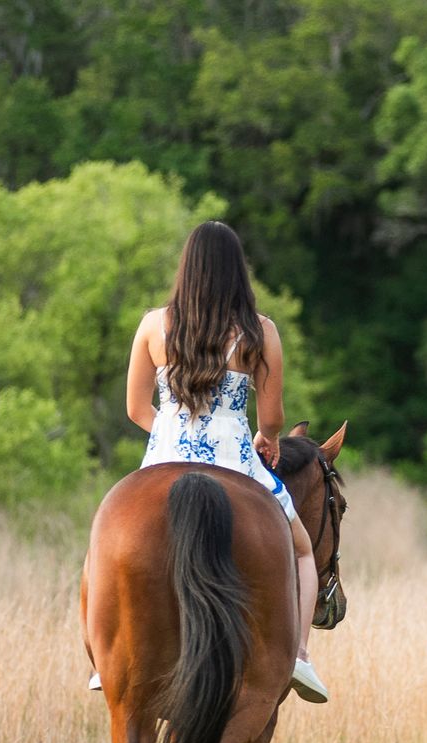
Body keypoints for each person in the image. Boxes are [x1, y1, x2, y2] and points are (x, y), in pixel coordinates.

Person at [87, 220, 328, 703]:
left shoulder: (153, 325)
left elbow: (135, 408)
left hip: (163, 458)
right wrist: (268, 438)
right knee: (302, 549)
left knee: (101, 548)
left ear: (187, 268)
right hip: (234, 460)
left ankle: (101, 657)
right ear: (237, 271)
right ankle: (299, 656)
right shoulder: (260, 333)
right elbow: (274, 416)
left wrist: (176, 433)